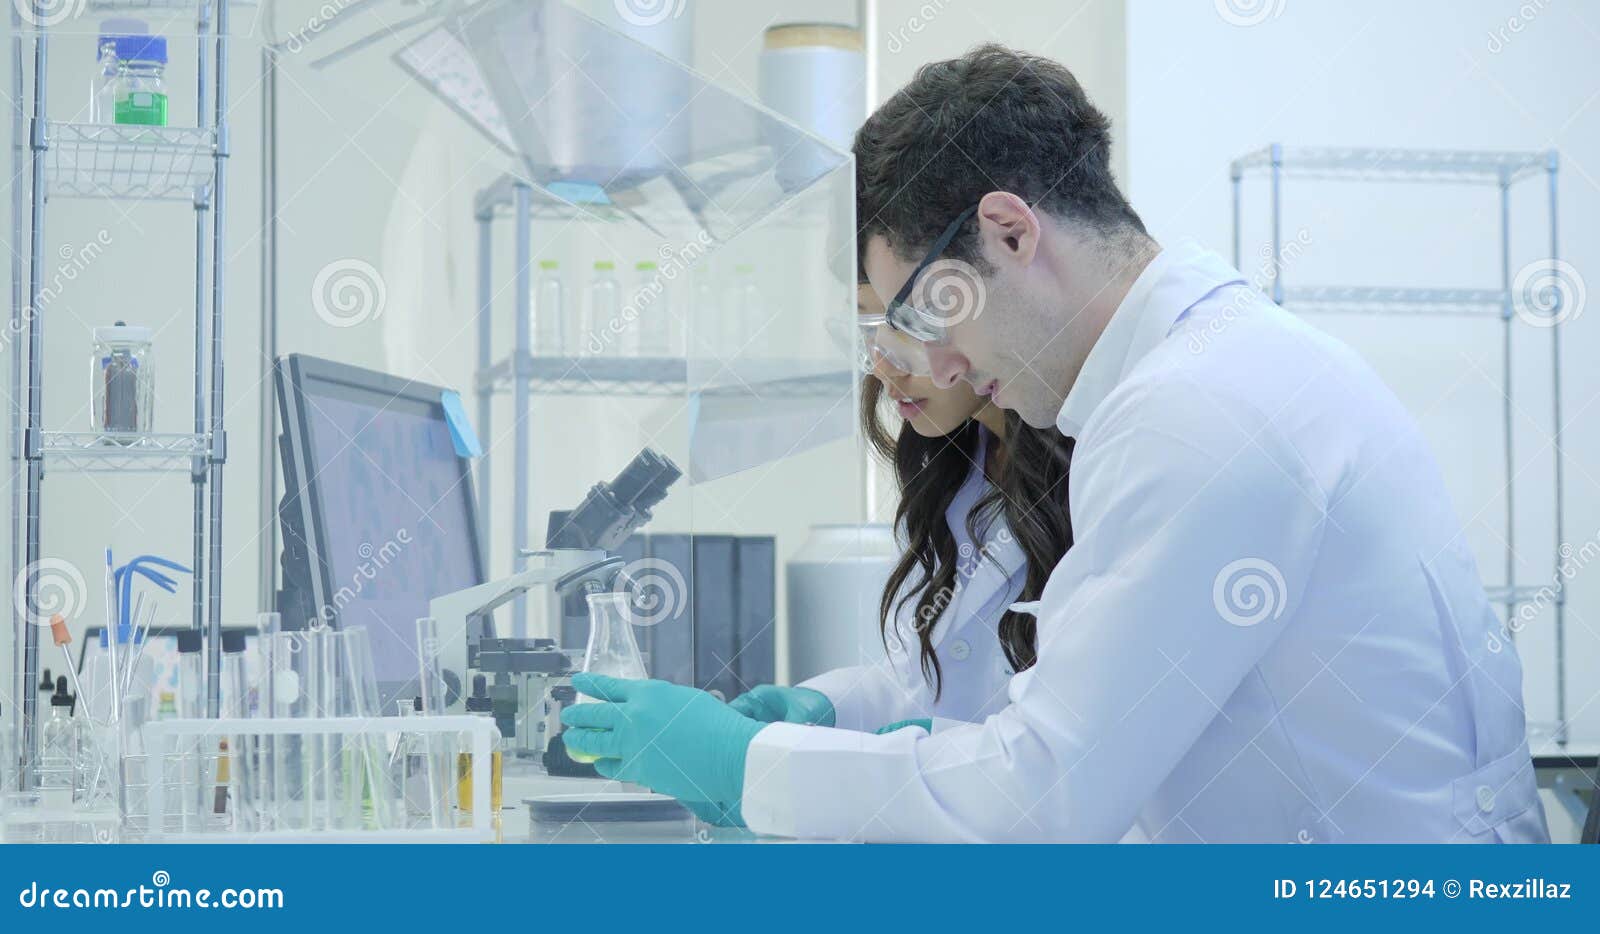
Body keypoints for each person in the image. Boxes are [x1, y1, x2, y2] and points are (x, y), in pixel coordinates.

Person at [565, 45, 1548, 843]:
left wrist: (751, 770)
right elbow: (1036, 699)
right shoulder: (1177, 378)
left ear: (1008, 231)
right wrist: (822, 727)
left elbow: (1042, 798)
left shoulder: (1196, 414)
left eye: (919, 312)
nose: (932, 363)